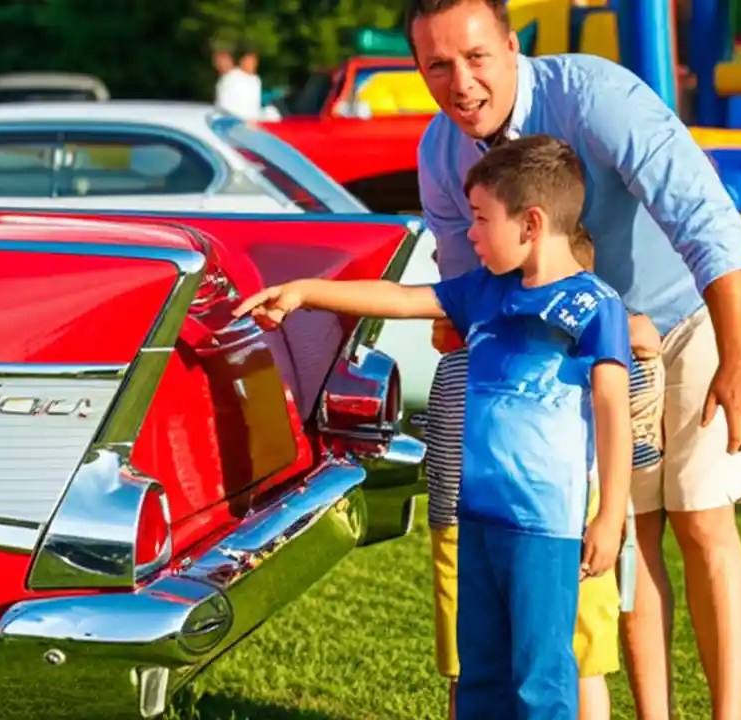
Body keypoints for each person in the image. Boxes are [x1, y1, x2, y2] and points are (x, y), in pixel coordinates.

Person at [404, 2, 741, 719]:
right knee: (625, 534)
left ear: (512, 46)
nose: (461, 83)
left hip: (687, 315)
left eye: (476, 57)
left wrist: (739, 358)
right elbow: (472, 291)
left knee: (702, 519)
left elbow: (704, 216)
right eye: (437, 66)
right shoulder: (440, 153)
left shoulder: (596, 95)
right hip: (586, 353)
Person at [237, 135, 634, 719]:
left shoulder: (594, 306)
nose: (469, 233)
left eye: (480, 219)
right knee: (479, 678)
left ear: (530, 223)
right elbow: (398, 299)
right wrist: (305, 294)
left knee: (538, 681)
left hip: (543, 530)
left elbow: (613, 414)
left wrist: (609, 515)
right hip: (477, 520)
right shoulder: (484, 291)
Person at [426, 223, 667, 720]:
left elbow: (630, 417)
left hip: (562, 522)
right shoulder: (475, 359)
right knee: (538, 661)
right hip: (489, 523)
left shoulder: (475, 362)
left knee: (564, 661)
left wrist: (633, 336)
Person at [214, 40, 264, 120]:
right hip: (229, 121)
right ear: (241, 61)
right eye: (248, 60)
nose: (251, 64)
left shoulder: (256, 80)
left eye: (254, 61)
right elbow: (223, 63)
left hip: (251, 122)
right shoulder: (231, 75)